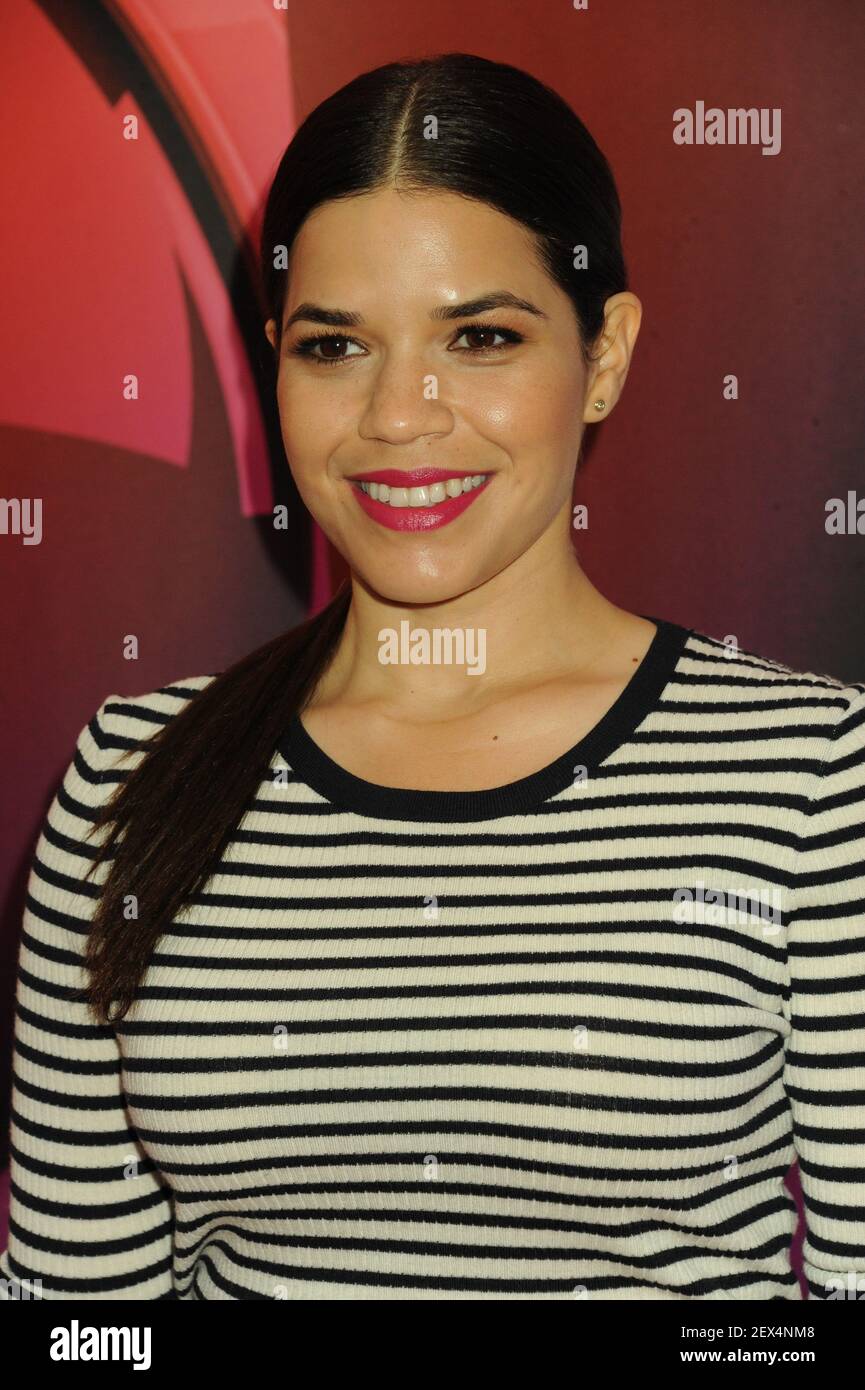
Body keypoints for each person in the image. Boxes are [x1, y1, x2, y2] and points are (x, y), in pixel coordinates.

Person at [2, 52, 863, 1302]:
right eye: (336, 344)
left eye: (481, 337)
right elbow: (78, 1325)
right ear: (275, 368)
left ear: (605, 352)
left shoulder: (811, 780)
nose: (400, 415)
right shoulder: (131, 778)